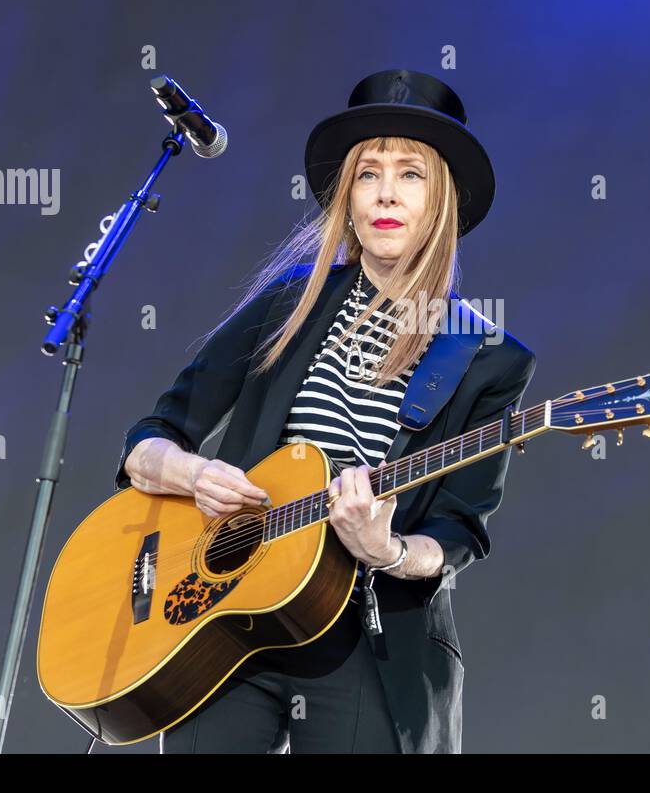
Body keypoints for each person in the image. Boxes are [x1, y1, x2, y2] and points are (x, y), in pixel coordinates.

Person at [115, 69, 536, 753]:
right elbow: (148, 440)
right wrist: (193, 474)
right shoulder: (290, 304)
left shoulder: (485, 357)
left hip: (369, 641)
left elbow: (457, 533)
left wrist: (388, 549)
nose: (387, 194)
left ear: (443, 200)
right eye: (368, 174)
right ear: (347, 196)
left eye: (411, 174)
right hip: (231, 624)